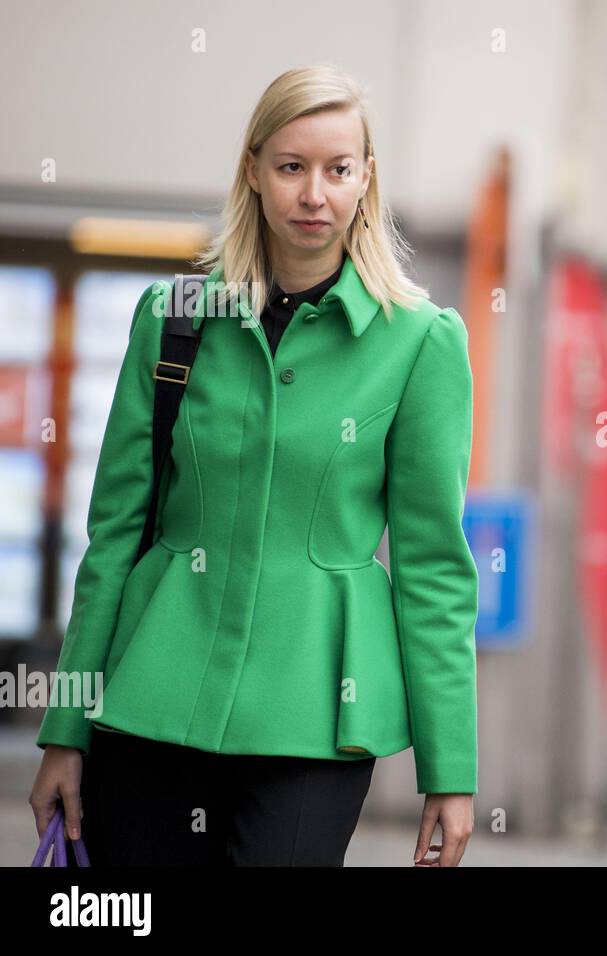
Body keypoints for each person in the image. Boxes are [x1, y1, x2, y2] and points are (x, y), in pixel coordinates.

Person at [29, 65, 478, 866]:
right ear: (254, 171)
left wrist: (452, 772)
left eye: (339, 170)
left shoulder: (421, 343)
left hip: (315, 720)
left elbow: (434, 568)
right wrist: (66, 728)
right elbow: (114, 537)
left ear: (366, 179)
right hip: (149, 702)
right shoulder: (173, 320)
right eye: (292, 167)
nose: (316, 194)